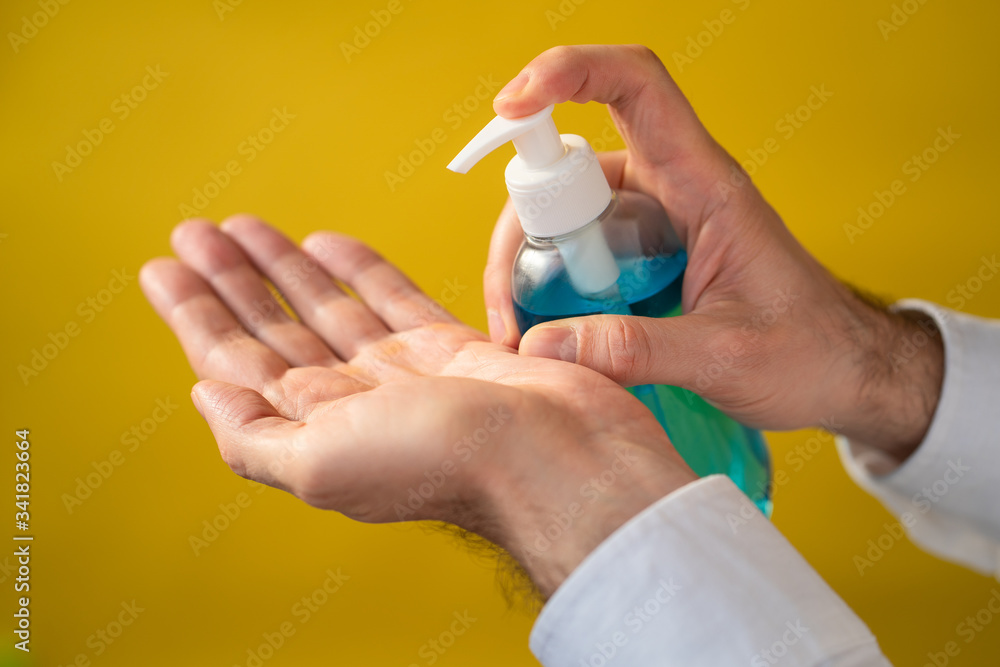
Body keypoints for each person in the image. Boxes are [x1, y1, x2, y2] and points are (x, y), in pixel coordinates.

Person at [140, 45, 1000, 665]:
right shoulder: (541, 272)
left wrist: (547, 483)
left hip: (728, 470)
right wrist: (864, 361)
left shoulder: (644, 232)